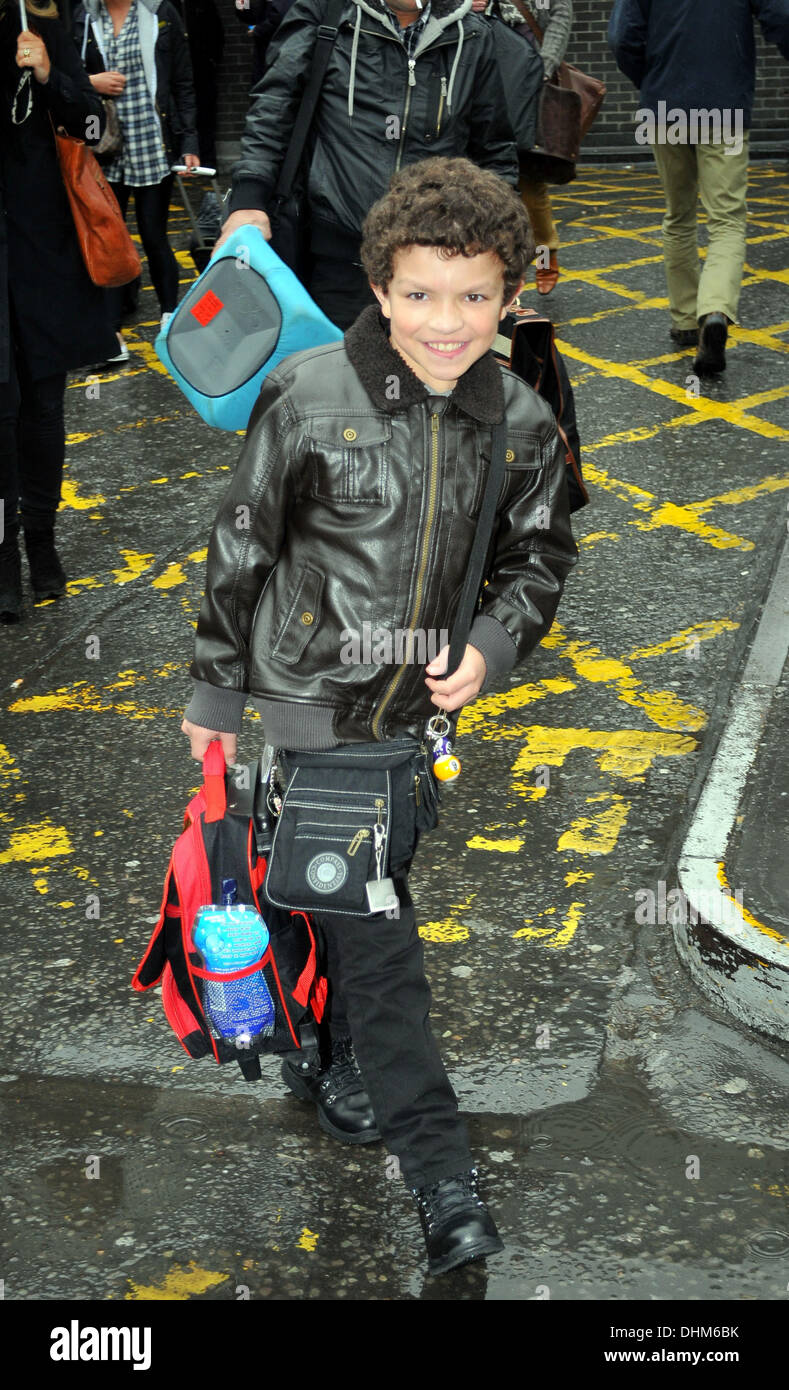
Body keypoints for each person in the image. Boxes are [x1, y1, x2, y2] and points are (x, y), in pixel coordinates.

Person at [180, 156, 578, 1273]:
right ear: (379, 286)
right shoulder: (309, 394)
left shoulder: (528, 423)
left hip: (417, 728)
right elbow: (242, 544)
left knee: (366, 883)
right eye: (419, 293)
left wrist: (494, 644)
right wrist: (215, 692)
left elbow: (541, 554)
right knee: (379, 933)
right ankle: (443, 1181)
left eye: (473, 296)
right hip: (312, 707)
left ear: (513, 295)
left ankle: (331, 1048)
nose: (445, 323)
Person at [217, 0, 519, 329]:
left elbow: (493, 147)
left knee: (426, 374)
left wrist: (502, 243)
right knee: (339, 371)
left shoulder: (472, 35)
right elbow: (274, 109)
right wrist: (249, 199)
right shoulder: (326, 14)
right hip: (338, 257)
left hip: (436, 260)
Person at [0, 0, 116, 624]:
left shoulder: (39, 19)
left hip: (41, 250)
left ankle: (41, 546)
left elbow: (95, 128)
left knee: (42, 407)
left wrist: (50, 76)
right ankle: (3, 558)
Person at [609, 0, 789, 375]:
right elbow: (782, 16)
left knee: (678, 215)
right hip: (725, 106)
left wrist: (652, 79)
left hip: (665, 107)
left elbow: (621, 36)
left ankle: (686, 320)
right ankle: (716, 310)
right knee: (726, 220)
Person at [73, 0, 199, 360]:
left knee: (154, 233)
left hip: (150, 142)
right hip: (106, 146)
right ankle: (110, 332)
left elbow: (182, 80)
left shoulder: (160, 13)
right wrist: (91, 82)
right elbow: (65, 78)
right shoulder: (85, 16)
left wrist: (189, 141)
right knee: (109, 236)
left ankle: (170, 316)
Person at [472, 0, 573, 295]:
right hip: (485, 65)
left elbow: (560, 15)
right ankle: (495, 264)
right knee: (483, 178)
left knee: (529, 179)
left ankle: (545, 255)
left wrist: (545, 64)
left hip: (530, 73)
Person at [234, 0, 295, 87]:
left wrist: (258, 29)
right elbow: (255, 17)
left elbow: (280, 16)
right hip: (266, 53)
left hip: (279, 52)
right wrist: (242, 4)